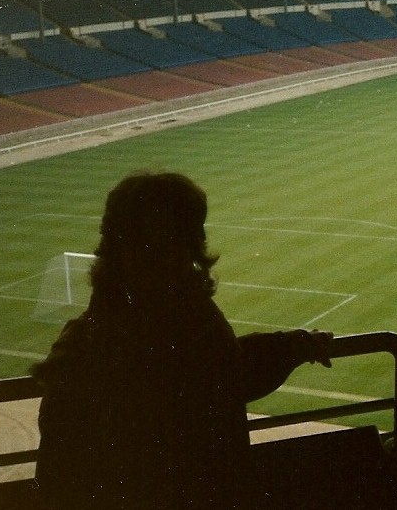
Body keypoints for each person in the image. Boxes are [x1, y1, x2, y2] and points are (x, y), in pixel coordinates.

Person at [32, 172, 335, 509]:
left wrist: (290, 346)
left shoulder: (91, 332)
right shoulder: (183, 317)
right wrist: (290, 347)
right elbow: (223, 375)